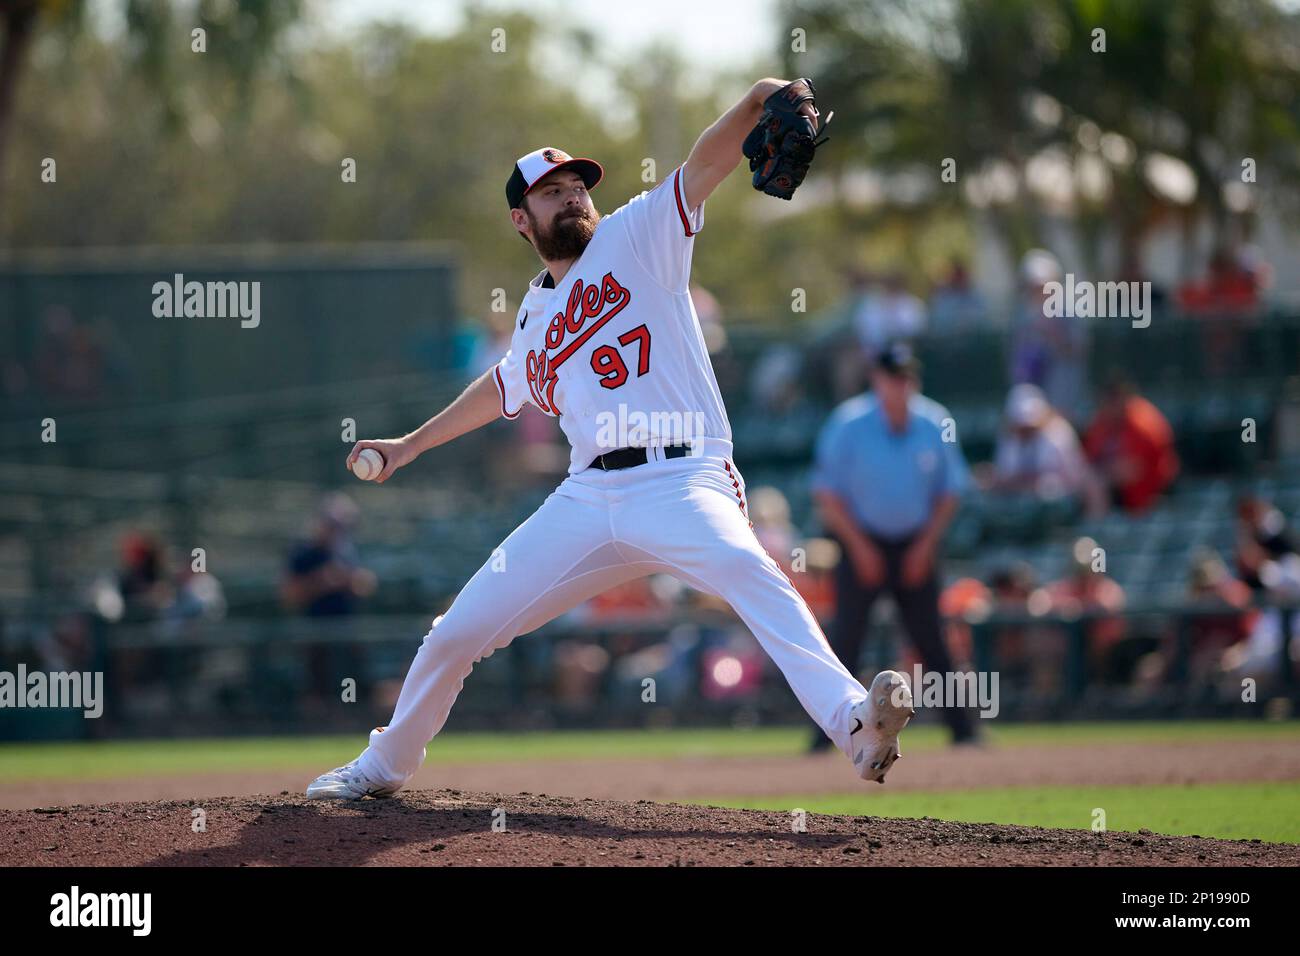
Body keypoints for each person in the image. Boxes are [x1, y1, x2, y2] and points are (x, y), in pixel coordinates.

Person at [306, 78, 914, 801]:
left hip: (682, 482)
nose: (570, 196)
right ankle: (383, 765)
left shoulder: (638, 233)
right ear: (520, 220)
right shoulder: (534, 315)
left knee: (753, 575)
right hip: (589, 495)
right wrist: (409, 445)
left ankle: (856, 725)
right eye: (550, 190)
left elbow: (705, 165)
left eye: (576, 185)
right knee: (453, 633)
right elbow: (502, 388)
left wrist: (757, 101)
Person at [807, 342, 979, 749]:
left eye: (907, 376)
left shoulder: (935, 421)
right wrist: (861, 547)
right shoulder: (848, 423)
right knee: (845, 641)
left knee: (932, 642)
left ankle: (966, 734)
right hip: (860, 541)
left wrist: (925, 546)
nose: (901, 384)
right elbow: (827, 496)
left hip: (916, 544)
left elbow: (950, 493)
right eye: (893, 376)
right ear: (877, 379)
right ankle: (824, 736)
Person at [985, 383, 1101, 511]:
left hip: (1062, 506)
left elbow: (1073, 480)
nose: (1026, 429)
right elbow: (1004, 477)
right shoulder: (1008, 438)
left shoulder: (1059, 433)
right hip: (1019, 505)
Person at [1082, 378, 1179, 512]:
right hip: (1121, 497)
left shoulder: (1143, 423)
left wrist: (1103, 472)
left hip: (1153, 496)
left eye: (1112, 401)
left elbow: (1132, 471)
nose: (1105, 408)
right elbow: (1088, 460)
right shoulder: (1102, 422)